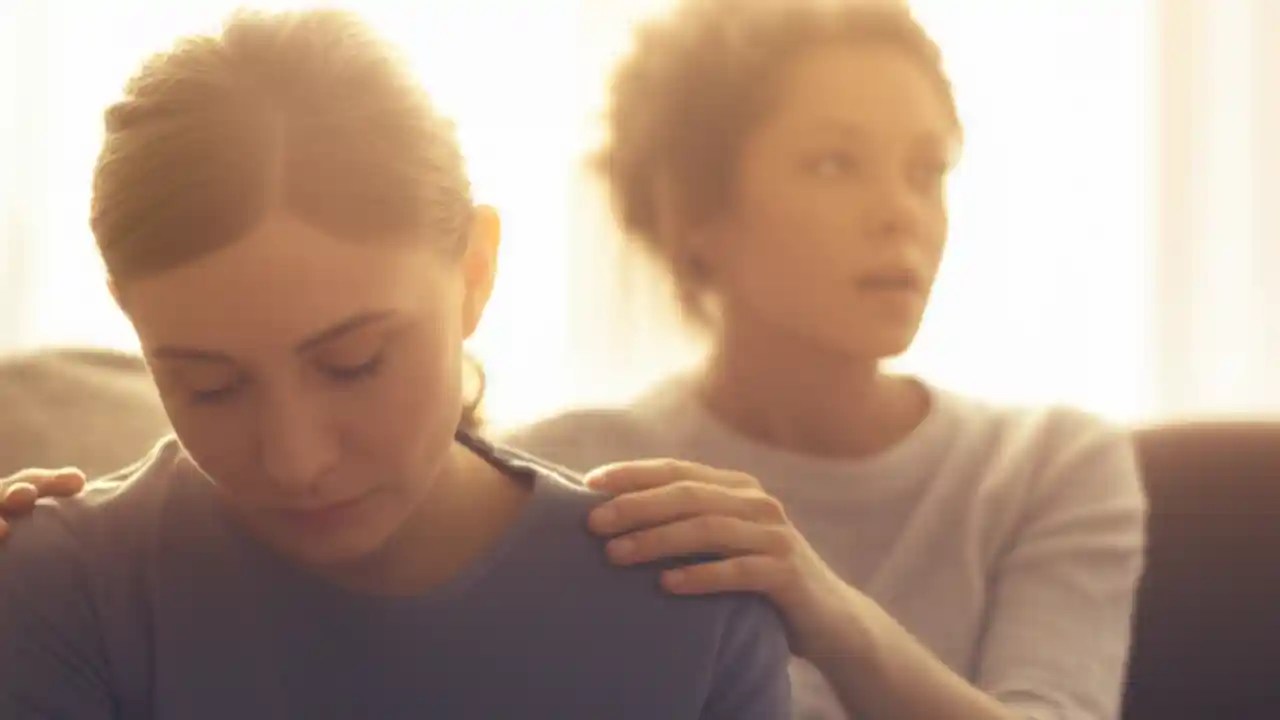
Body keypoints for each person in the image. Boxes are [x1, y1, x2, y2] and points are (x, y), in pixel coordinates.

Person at [2, 1, 1147, 718]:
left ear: (474, 276)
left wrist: (822, 608)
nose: (298, 459)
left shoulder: (1036, 468)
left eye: (926, 169)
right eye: (834, 165)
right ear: (689, 203)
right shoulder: (582, 470)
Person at [0, 9, 791, 719]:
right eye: (209, 385)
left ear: (474, 272)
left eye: (355, 363)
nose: (296, 460)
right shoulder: (64, 592)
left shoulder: (690, 611)